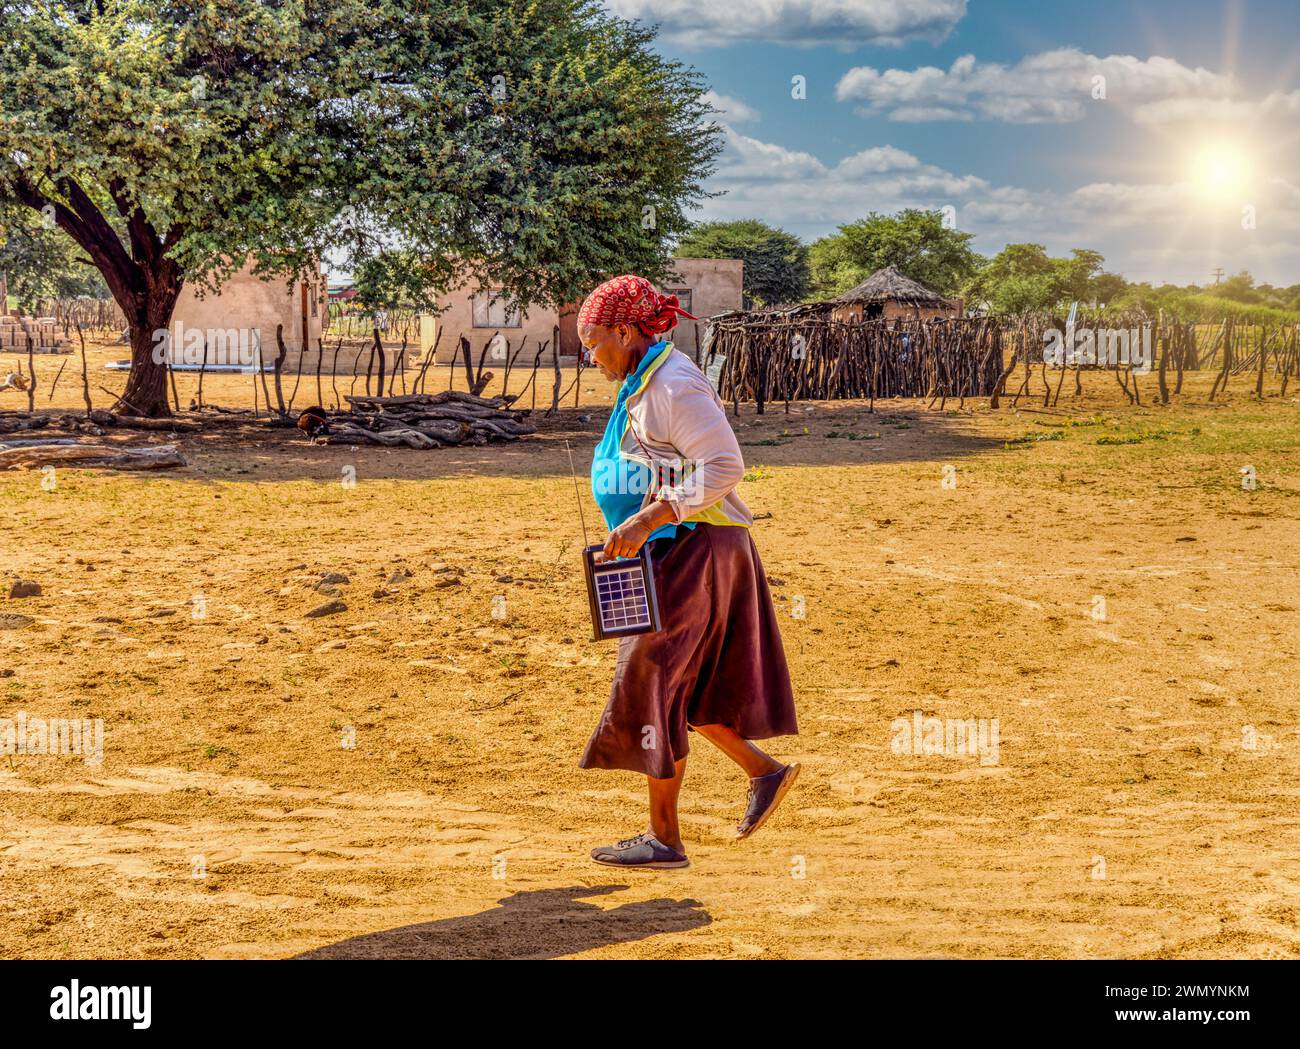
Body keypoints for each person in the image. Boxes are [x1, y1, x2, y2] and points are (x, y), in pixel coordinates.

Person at [577, 274, 799, 870]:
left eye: (594, 341)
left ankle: (666, 840)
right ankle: (763, 771)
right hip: (669, 552)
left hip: (693, 550)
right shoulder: (642, 382)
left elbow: (726, 465)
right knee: (679, 686)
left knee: (652, 679)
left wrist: (650, 517)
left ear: (625, 331)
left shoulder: (674, 384)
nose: (590, 354)